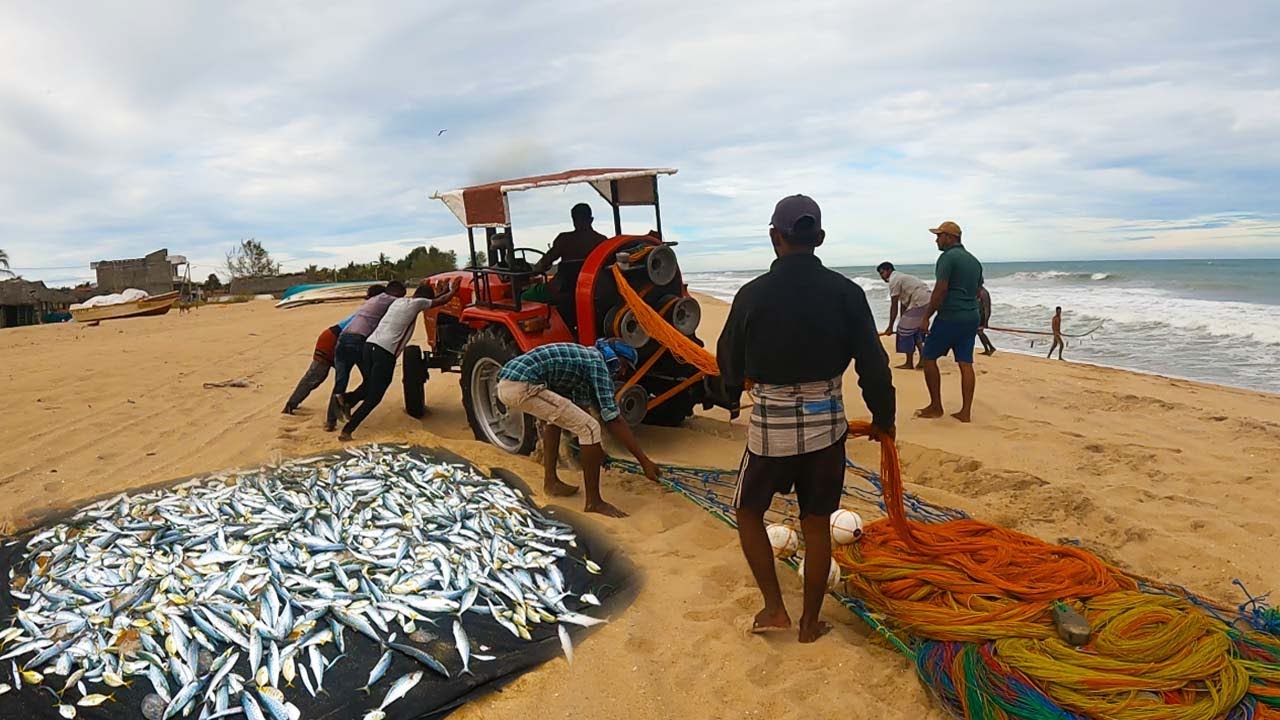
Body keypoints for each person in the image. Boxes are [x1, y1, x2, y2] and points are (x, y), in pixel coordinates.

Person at [718, 195, 895, 644]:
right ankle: (809, 623)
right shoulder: (847, 293)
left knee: (747, 511)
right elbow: (873, 365)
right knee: (817, 524)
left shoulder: (752, 294)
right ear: (818, 238)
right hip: (826, 428)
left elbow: (728, 361)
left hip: (769, 433)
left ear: (775, 237)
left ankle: (774, 608)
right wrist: (884, 418)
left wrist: (730, 393)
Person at [496, 339, 661, 518]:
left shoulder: (584, 362)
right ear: (615, 358)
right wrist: (644, 462)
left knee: (559, 420)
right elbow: (613, 418)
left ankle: (551, 483)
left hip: (510, 383)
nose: (622, 372)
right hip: (523, 384)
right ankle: (594, 502)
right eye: (623, 365)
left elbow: (579, 413)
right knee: (590, 428)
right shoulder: (597, 363)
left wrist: (597, 451)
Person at [335, 279, 459, 440]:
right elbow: (440, 301)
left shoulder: (399, 302)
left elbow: (433, 300)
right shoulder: (418, 303)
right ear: (424, 299)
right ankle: (347, 430)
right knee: (375, 396)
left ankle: (346, 399)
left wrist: (442, 293)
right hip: (385, 352)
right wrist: (453, 291)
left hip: (370, 345)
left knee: (369, 383)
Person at [916, 221, 984, 423]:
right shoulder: (974, 261)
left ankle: (936, 406)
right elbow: (979, 292)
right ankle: (965, 412)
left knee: (928, 357)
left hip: (950, 316)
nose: (936, 239)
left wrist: (926, 316)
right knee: (965, 363)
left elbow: (940, 290)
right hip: (971, 316)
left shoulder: (947, 258)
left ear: (950, 237)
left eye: (939, 235)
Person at [282, 285, 385, 415]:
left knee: (325, 378)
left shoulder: (369, 309)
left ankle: (343, 404)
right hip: (333, 339)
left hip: (345, 341)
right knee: (316, 377)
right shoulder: (372, 311)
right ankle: (291, 404)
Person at [328, 280, 406, 431]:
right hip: (358, 341)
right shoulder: (391, 300)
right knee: (371, 381)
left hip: (343, 339)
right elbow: (410, 304)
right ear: (396, 292)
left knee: (341, 381)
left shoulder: (375, 300)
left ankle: (331, 421)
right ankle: (349, 403)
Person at [531, 203, 608, 335]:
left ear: (573, 219)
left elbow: (544, 263)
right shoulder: (601, 241)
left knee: (526, 296)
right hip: (593, 292)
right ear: (591, 219)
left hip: (563, 290)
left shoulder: (564, 239)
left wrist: (534, 270)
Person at [876, 261, 931, 369]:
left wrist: (890, 327)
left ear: (889, 270)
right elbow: (903, 304)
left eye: (882, 273)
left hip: (919, 300)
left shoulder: (894, 280)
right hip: (927, 299)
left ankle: (909, 363)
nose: (882, 277)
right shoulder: (901, 278)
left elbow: (894, 305)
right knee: (915, 331)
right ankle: (923, 360)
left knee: (904, 331)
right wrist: (903, 319)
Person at [977, 285, 996, 355]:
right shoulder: (980, 291)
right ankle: (988, 348)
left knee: (979, 332)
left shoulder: (983, 292)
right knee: (979, 332)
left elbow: (986, 307)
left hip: (983, 315)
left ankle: (990, 348)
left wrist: (986, 320)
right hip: (980, 315)